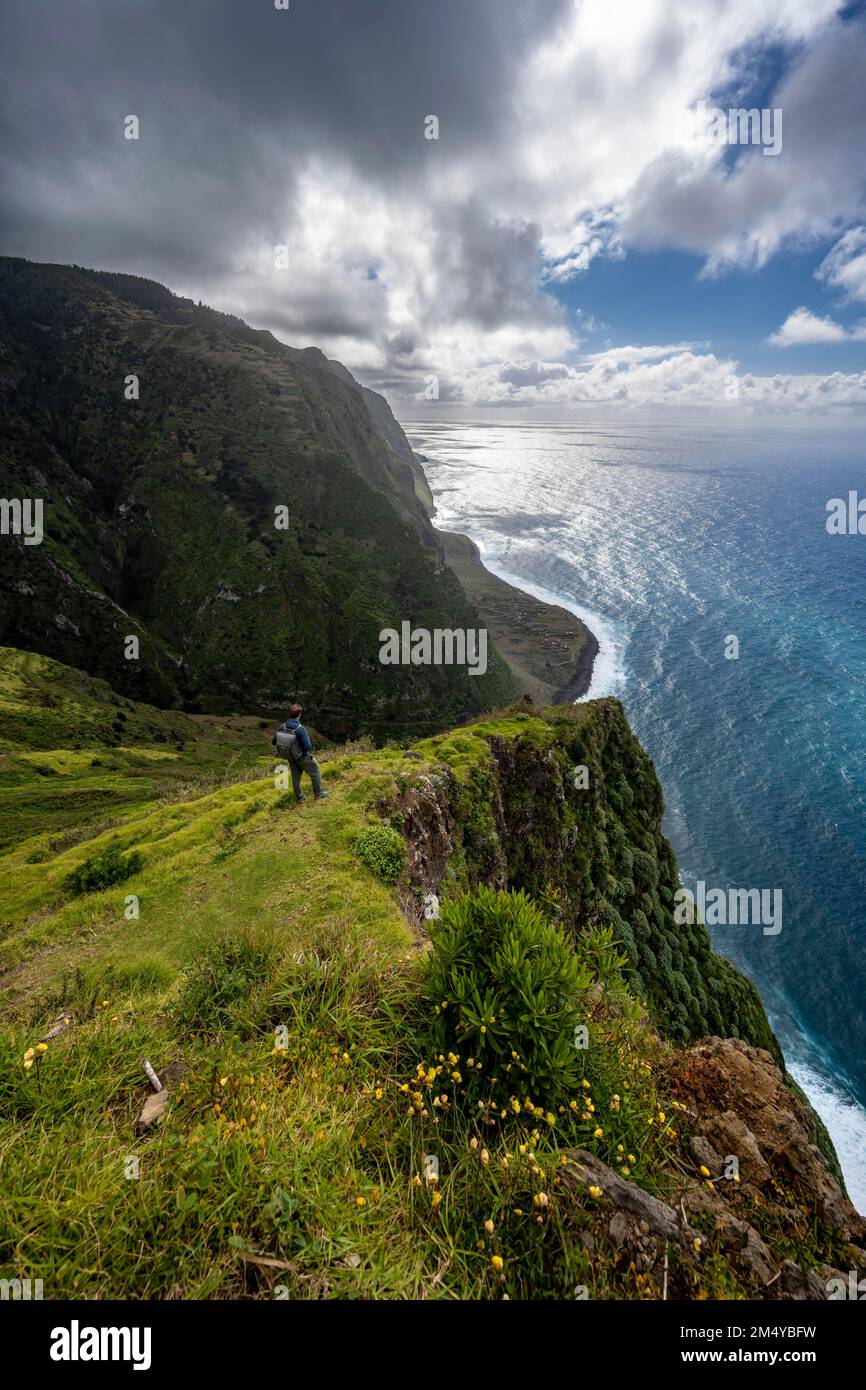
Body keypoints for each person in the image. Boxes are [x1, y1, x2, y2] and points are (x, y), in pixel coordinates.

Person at [273, 703, 328, 802]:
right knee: (315, 771)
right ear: (299, 714)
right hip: (301, 757)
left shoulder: (282, 726)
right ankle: (318, 793)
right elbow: (307, 747)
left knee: (295, 777)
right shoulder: (300, 729)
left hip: (290, 756)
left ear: (289, 713)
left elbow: (274, 741)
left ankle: (299, 798)